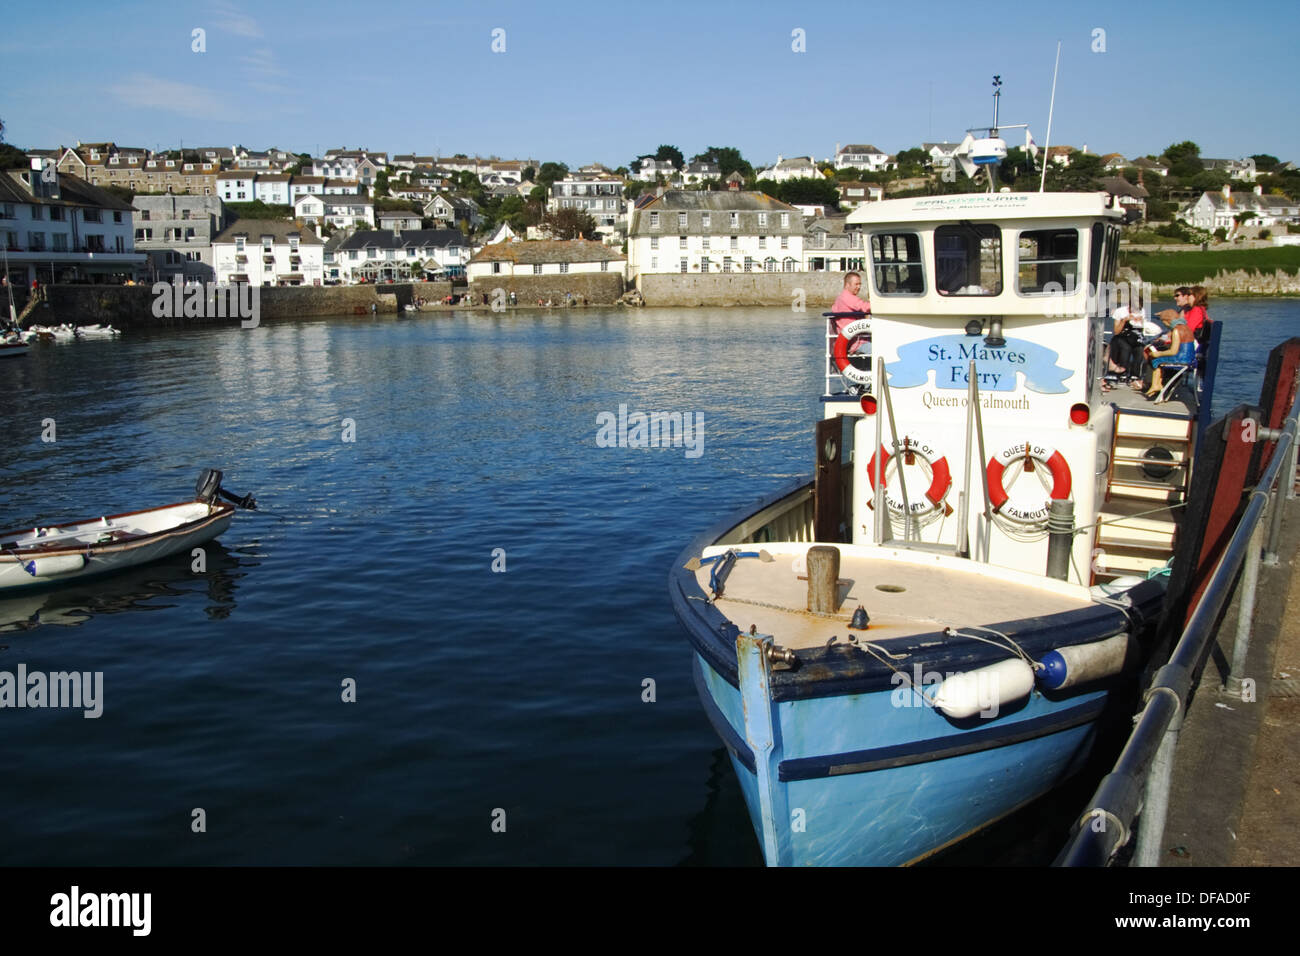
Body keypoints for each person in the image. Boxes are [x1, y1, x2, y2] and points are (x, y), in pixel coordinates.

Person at [1145, 317, 1195, 401]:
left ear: (1168, 321)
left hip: (1181, 358)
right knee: (1159, 359)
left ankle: (1156, 385)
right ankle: (1156, 384)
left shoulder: (1176, 330)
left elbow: (1173, 351)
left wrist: (1158, 354)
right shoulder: (1186, 327)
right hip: (1189, 357)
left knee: (1156, 359)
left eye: (1164, 323)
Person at [831, 271, 871, 355]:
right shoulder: (847, 297)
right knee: (882, 352)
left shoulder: (840, 299)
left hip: (853, 341)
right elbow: (865, 307)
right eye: (856, 284)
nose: (859, 287)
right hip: (857, 343)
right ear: (847, 285)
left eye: (860, 284)